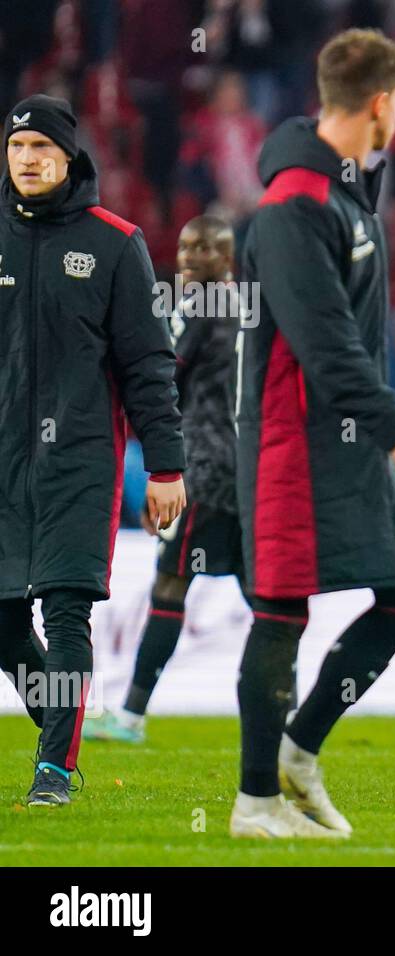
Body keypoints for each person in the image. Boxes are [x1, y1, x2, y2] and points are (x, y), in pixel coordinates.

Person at [232, 28, 395, 839]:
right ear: (383, 102)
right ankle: (254, 802)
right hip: (291, 435)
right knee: (280, 613)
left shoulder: (343, 192)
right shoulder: (294, 205)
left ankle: (299, 751)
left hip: (342, 437)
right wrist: (394, 424)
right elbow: (321, 341)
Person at [0, 94, 187, 806]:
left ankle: (54, 770)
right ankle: (61, 718)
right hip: (3, 464)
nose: (27, 161)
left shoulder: (115, 242)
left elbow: (149, 364)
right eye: (17, 149)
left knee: (65, 611)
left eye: (41, 149)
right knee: (5, 622)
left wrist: (166, 465)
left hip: (80, 461)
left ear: (69, 157)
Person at [85, 216, 244, 744]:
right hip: (249, 472)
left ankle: (130, 715)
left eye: (206, 248)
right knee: (265, 593)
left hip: (201, 468)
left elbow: (160, 372)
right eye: (185, 246)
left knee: (170, 583)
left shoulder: (198, 304)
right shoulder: (248, 309)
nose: (191, 256)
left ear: (227, 257)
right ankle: (284, 714)